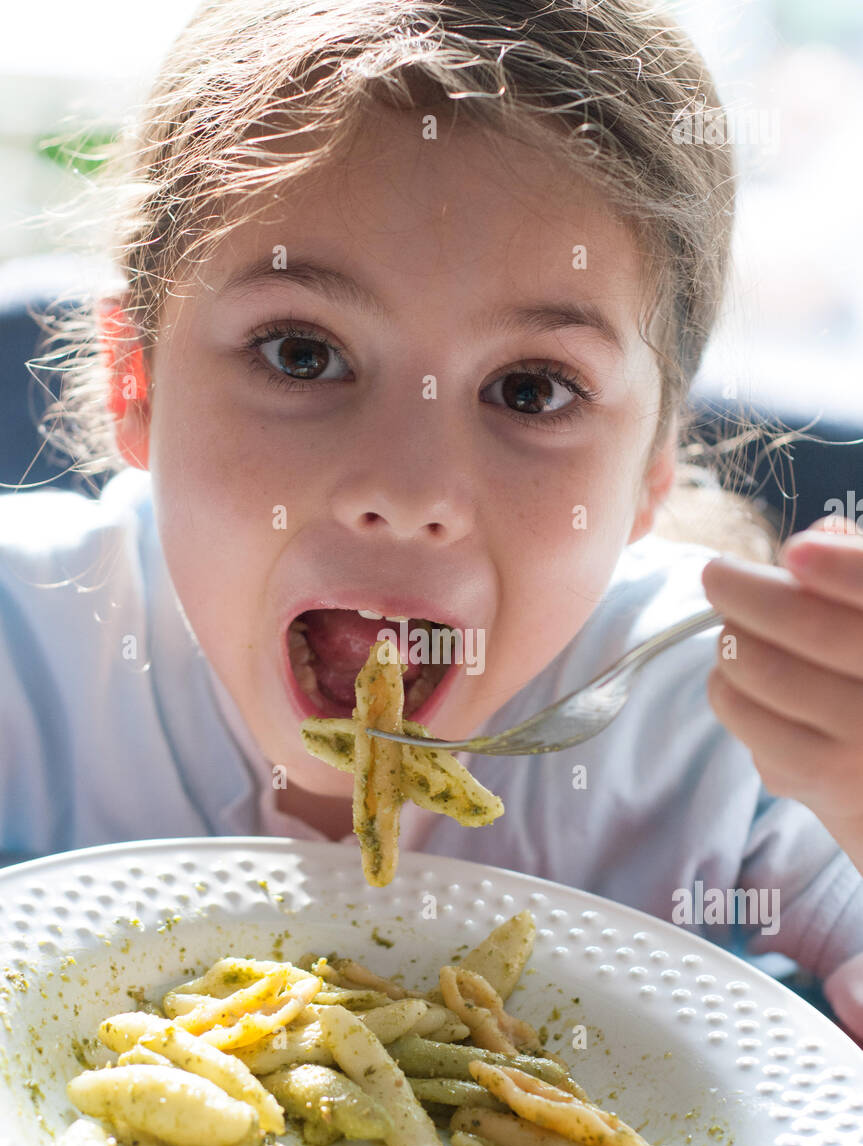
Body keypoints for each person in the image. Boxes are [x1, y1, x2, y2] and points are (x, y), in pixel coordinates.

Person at [3, 0, 862, 1041]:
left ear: (647, 465)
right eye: (300, 354)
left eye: (531, 390)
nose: (409, 492)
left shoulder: (729, 727)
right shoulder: (26, 653)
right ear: (133, 379)